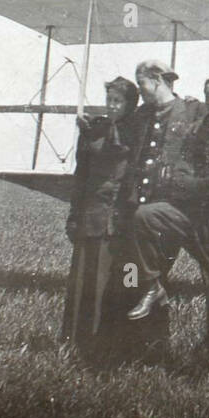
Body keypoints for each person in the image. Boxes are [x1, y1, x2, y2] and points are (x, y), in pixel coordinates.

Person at [131, 74, 209, 371]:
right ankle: (153, 286)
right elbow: (178, 177)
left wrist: (197, 184)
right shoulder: (193, 132)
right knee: (146, 216)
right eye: (207, 95)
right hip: (189, 217)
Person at [119, 60, 206, 324]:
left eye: (141, 82)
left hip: (172, 208)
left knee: (156, 271)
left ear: (157, 80)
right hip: (139, 204)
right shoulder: (141, 115)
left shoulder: (193, 111)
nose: (140, 89)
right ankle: (137, 338)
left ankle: (155, 340)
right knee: (131, 273)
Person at [62, 77, 138, 353]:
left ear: (130, 105)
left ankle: (104, 345)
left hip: (117, 218)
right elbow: (80, 177)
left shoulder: (135, 133)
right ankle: (74, 341)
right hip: (91, 214)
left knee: (111, 282)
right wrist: (74, 214)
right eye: (109, 100)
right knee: (83, 279)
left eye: (118, 101)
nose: (112, 106)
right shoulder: (93, 132)